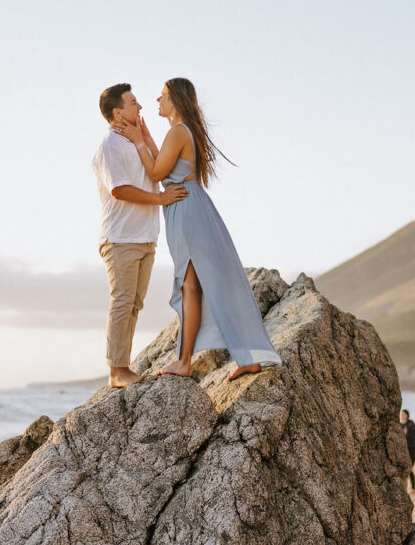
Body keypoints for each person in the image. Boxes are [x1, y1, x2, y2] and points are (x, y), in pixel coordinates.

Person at [116, 78, 280, 382]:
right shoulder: (180, 132)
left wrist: (138, 140)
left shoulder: (179, 132)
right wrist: (149, 140)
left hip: (187, 211)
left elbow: (156, 172)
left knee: (190, 286)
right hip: (191, 207)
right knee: (199, 285)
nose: (156, 100)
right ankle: (239, 356)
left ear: (175, 100)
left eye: (163, 95)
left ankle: (185, 362)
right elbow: (167, 164)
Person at [92, 83, 188, 388]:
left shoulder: (133, 142)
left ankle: (123, 366)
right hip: (120, 237)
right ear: (117, 112)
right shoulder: (111, 145)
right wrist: (161, 199)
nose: (141, 107)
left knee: (134, 303)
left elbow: (159, 170)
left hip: (145, 235)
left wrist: (145, 139)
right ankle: (117, 370)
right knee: (122, 301)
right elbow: (119, 189)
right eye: (134, 103)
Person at [401, 409, 415, 491]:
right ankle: (406, 488)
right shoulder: (398, 425)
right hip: (403, 451)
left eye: (404, 414)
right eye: (401, 414)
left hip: (412, 449)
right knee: (404, 469)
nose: (402, 415)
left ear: (407, 415)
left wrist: (406, 434)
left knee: (409, 469)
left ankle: (413, 488)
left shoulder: (411, 425)